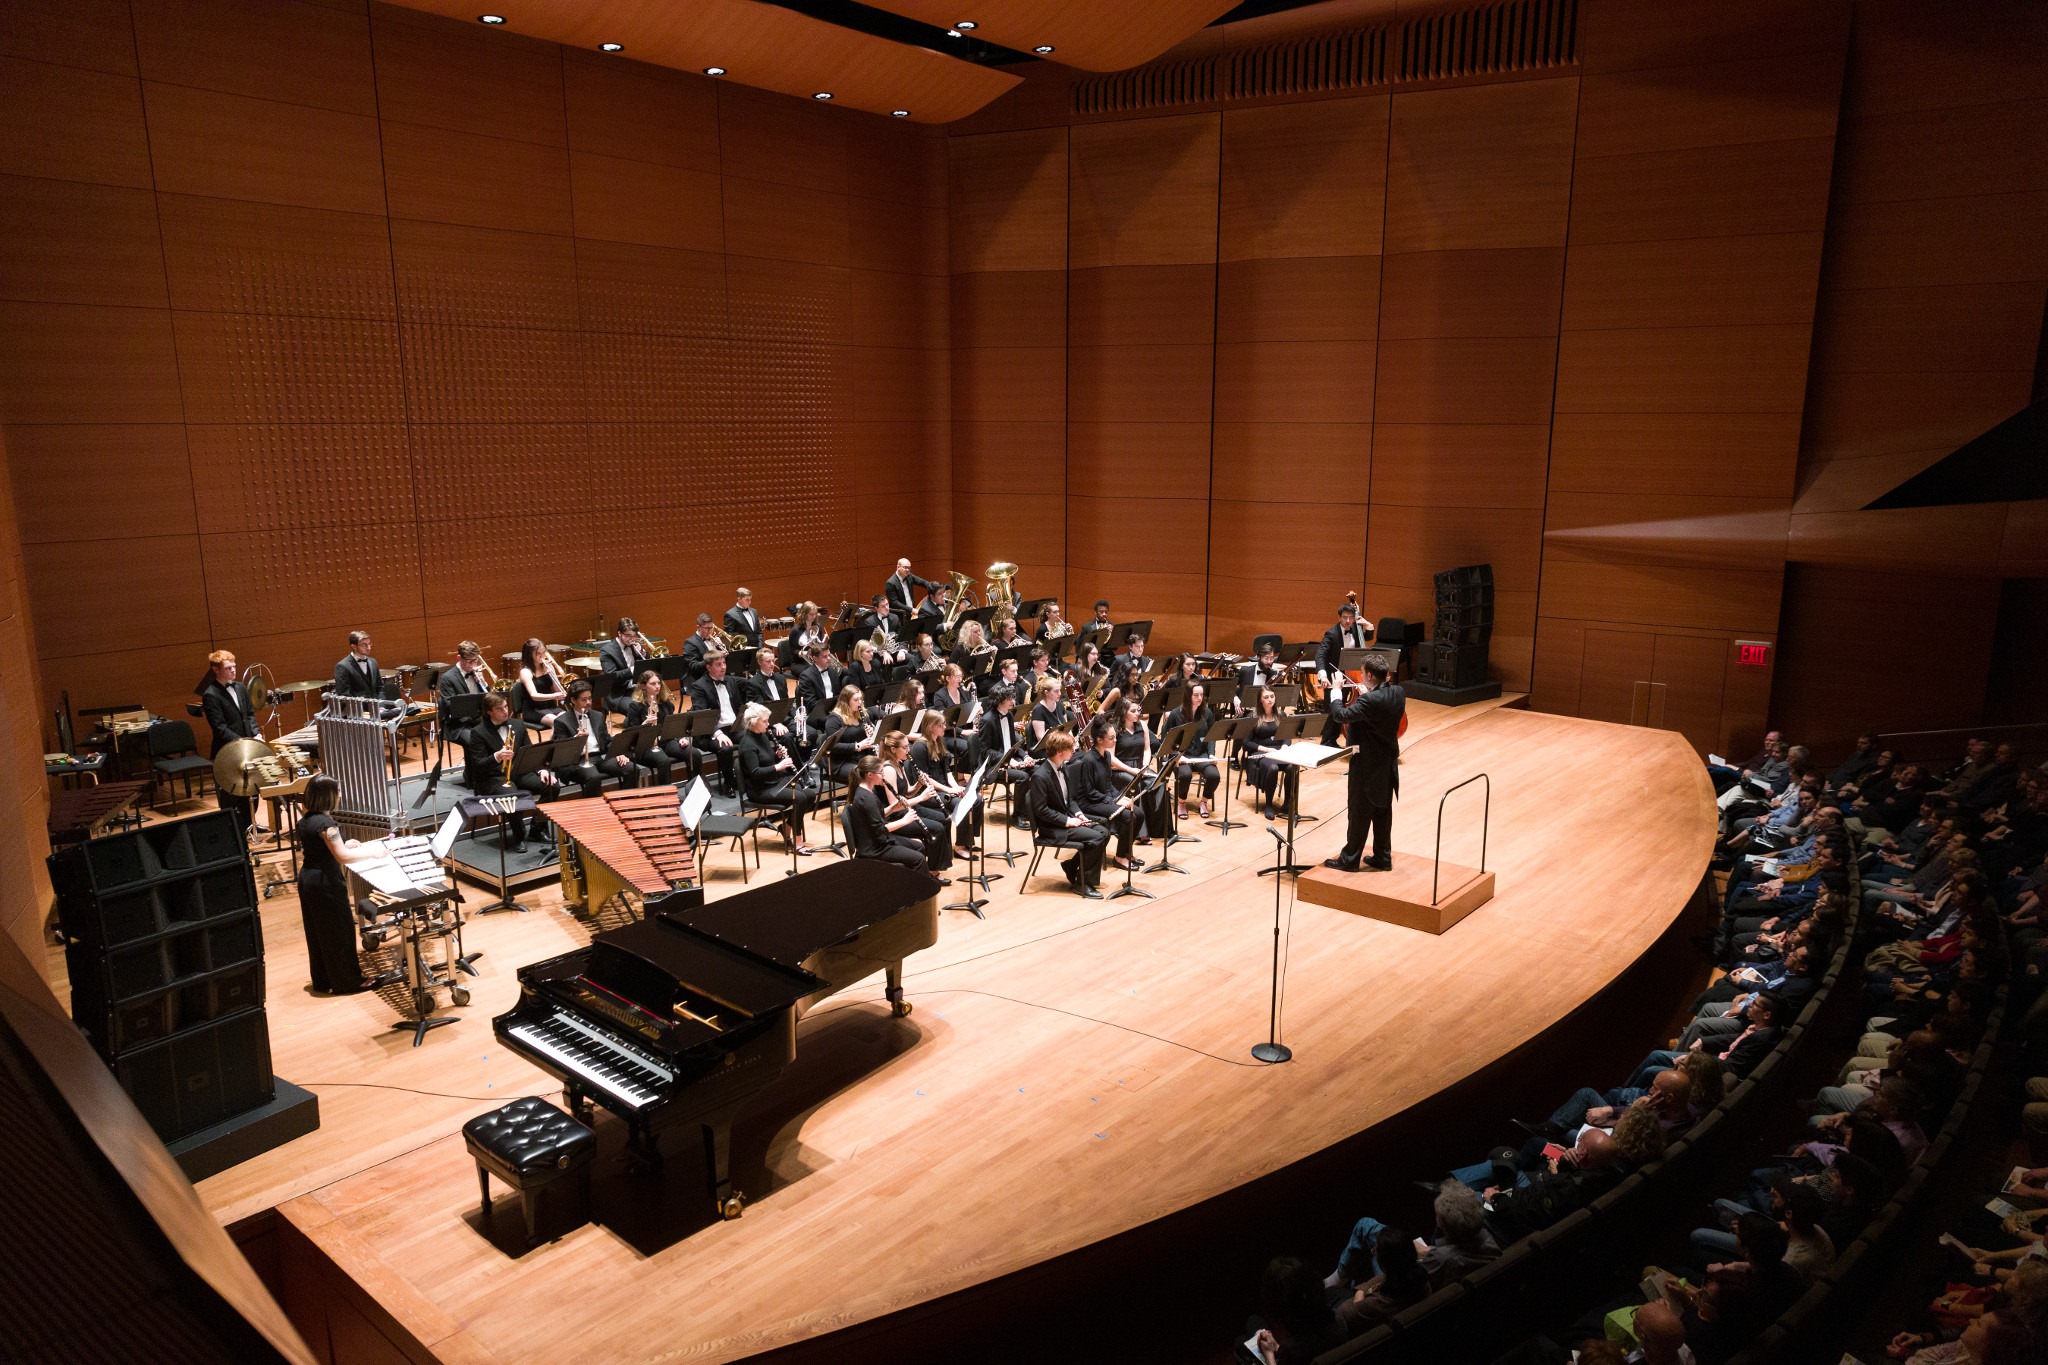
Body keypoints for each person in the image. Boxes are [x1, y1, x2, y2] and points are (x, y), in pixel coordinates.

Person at [293, 775, 377, 994]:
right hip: (324, 882)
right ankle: (349, 981)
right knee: (339, 930)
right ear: (329, 797)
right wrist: (374, 853)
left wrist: (345, 844)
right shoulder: (327, 824)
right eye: (338, 792)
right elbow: (343, 858)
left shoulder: (306, 819)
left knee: (318, 931)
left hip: (308, 878)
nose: (340, 795)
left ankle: (323, 980)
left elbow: (325, 847)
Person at [1323, 658, 1404, 873]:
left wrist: (1337, 691)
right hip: (1387, 764)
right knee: (1382, 812)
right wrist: (1367, 694)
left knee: (1359, 813)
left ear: (1369, 676)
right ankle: (1382, 857)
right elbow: (1379, 710)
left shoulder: (1369, 702)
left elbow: (1341, 715)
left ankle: (1349, 860)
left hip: (1367, 765)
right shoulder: (1398, 692)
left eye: (1362, 673)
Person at [1027, 730, 1109, 897]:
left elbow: (1069, 799)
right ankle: (1081, 883)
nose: (1074, 751)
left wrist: (1078, 814)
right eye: (1070, 748)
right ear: (1059, 752)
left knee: (1104, 832)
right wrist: (1067, 821)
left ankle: (1072, 867)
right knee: (1096, 837)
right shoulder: (1040, 776)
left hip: (1067, 819)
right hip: (1052, 827)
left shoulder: (1063, 768)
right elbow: (1041, 810)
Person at [737, 702, 815, 855]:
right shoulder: (747, 744)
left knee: (809, 794)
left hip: (772, 782)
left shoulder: (762, 736)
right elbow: (755, 773)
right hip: (760, 789)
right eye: (764, 721)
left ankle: (785, 827)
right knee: (798, 798)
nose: (768, 724)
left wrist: (776, 757)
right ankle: (797, 841)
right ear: (753, 723)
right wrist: (778, 766)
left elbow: (766, 760)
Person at [197, 649, 260, 834]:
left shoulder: (240, 687)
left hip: (247, 747)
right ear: (216, 670)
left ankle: (250, 825)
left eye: (234, 666)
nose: (234, 670)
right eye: (228, 667)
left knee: (252, 791)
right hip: (227, 750)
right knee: (231, 794)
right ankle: (233, 831)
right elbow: (219, 727)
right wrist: (241, 741)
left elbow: (249, 715)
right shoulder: (210, 694)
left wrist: (255, 734)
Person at [460, 692, 534, 847]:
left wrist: (541, 771)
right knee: (511, 796)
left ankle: (537, 829)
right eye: (500, 709)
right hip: (492, 778)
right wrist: (496, 757)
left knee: (551, 786)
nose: (505, 711)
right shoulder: (478, 732)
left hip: (518, 772)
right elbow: (478, 765)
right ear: (489, 712)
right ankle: (519, 837)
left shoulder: (518, 725)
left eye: (506, 706)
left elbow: (529, 752)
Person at [1074, 718, 1141, 871]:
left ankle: (1126, 852)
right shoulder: (1088, 760)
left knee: (1139, 813)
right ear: (1099, 740)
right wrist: (1113, 801)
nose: (1115, 740)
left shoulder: (1107, 756)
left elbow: (1108, 783)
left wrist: (1119, 797)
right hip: (1090, 803)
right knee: (1128, 816)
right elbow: (1089, 792)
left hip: (1103, 799)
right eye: (1111, 738)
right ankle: (1119, 857)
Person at [551, 679, 630, 798]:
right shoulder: (561, 722)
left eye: (590, 698)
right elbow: (561, 751)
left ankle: (626, 803)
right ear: (573, 700)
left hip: (599, 757)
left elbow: (607, 740)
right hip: (577, 761)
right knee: (594, 777)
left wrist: (617, 752)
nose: (588, 702)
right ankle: (595, 809)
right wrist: (576, 740)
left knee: (630, 768)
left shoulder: (597, 716)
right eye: (584, 699)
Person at [849, 754, 928, 869]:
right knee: (918, 859)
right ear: (870, 775)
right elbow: (880, 830)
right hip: (874, 848)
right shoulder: (867, 798)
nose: (884, 775)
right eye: (881, 772)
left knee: (919, 847)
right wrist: (905, 821)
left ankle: (913, 882)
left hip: (877, 840)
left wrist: (894, 807)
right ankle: (918, 886)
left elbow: (875, 816)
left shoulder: (865, 791)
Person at [1163, 680, 1220, 820]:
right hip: (1181, 755)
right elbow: (1166, 738)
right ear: (1188, 696)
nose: (1200, 698)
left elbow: (1210, 736)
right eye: (1196, 695)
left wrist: (1211, 753)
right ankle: (1181, 803)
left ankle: (1204, 802)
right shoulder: (1176, 714)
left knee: (1214, 776)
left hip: (1201, 754)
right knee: (1185, 775)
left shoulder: (1207, 713)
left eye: (1202, 695)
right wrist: (1177, 756)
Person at [1315, 600, 1371, 743]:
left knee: (1347, 707)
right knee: (1332, 710)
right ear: (1339, 617)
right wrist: (1322, 675)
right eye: (1345, 617)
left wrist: (1368, 625)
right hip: (1335, 676)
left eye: (1351, 618)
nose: (1348, 621)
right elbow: (1320, 655)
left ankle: (1347, 739)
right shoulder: (1332, 634)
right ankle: (1327, 742)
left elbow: (1367, 638)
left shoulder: (1356, 629)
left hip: (1352, 676)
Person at [688, 649, 743, 792]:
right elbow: (702, 716)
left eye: (724, 663)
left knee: (752, 738)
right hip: (711, 732)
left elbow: (739, 704)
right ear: (708, 667)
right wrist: (718, 733)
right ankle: (729, 784)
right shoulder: (699, 686)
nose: (723, 667)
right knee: (725, 748)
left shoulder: (731, 681)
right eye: (718, 664)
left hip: (734, 727)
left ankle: (747, 778)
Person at [622, 670, 690, 785]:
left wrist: (681, 738)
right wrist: (646, 723)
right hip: (646, 745)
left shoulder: (665, 703)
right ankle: (666, 794)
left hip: (665, 741)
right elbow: (632, 733)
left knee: (692, 753)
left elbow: (672, 725)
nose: (657, 686)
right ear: (643, 686)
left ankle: (695, 788)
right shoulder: (635, 706)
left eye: (658, 683)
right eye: (653, 684)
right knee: (663, 761)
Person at [1241, 686, 1286, 819]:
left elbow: (1287, 737)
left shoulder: (1281, 715)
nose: (1270, 699)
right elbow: (1246, 743)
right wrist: (1266, 749)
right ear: (1260, 701)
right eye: (1266, 697)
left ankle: (1288, 804)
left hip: (1278, 752)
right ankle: (1268, 805)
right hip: (1260, 753)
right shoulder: (1253, 717)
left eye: (1272, 696)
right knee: (1272, 768)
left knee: (1291, 767)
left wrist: (1284, 746)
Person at [514, 638, 567, 729]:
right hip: (533, 709)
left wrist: (552, 672)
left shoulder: (548, 667)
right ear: (529, 655)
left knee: (569, 720)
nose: (542, 656)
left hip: (550, 706)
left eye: (544, 653)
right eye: (538, 654)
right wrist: (554, 696)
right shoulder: (526, 672)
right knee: (558, 723)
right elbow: (534, 695)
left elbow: (558, 689)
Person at [331, 629, 382, 699]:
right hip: (357, 708)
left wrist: (381, 705)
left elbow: (380, 687)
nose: (369, 648)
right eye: (364, 645)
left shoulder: (373, 662)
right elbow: (344, 696)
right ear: (354, 646)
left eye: (369, 644)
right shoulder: (342, 666)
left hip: (376, 707)